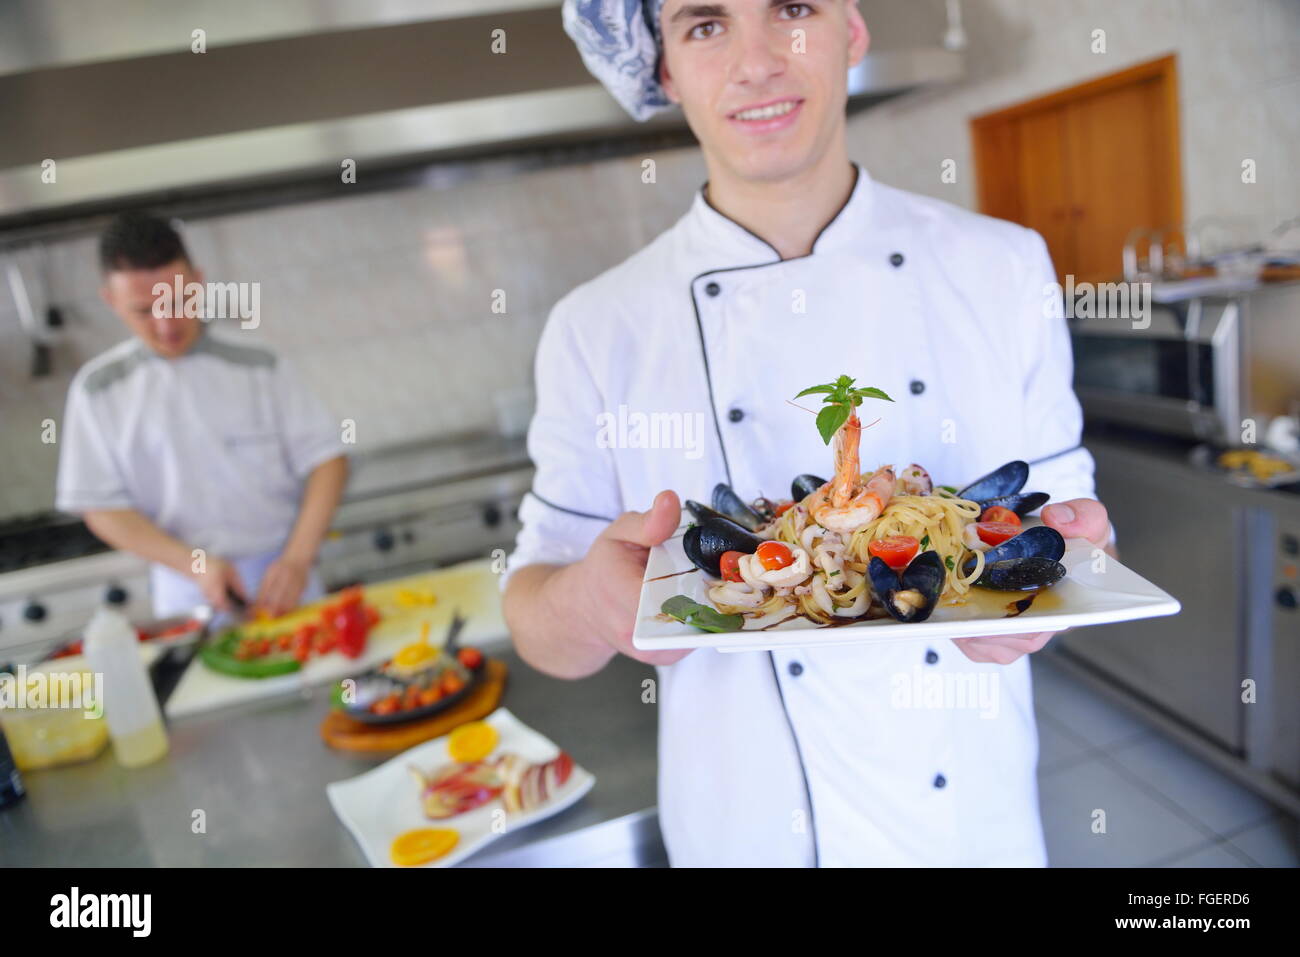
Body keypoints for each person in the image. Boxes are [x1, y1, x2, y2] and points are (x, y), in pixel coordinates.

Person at [503, 0, 1115, 866]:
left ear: (853, 31)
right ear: (665, 66)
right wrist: (589, 606)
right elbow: (532, 614)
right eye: (705, 23)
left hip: (968, 824)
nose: (756, 62)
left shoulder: (1003, 265)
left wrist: (1065, 575)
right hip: (742, 833)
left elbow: (1078, 526)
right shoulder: (597, 326)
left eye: (792, 7)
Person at [56, 212, 349, 619]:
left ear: (197, 281)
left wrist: (298, 559)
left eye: (178, 302)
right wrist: (195, 564)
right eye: (143, 310)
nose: (166, 324)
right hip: (188, 591)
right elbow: (101, 508)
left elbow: (326, 461)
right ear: (110, 299)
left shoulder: (260, 364)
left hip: (285, 576)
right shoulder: (97, 391)